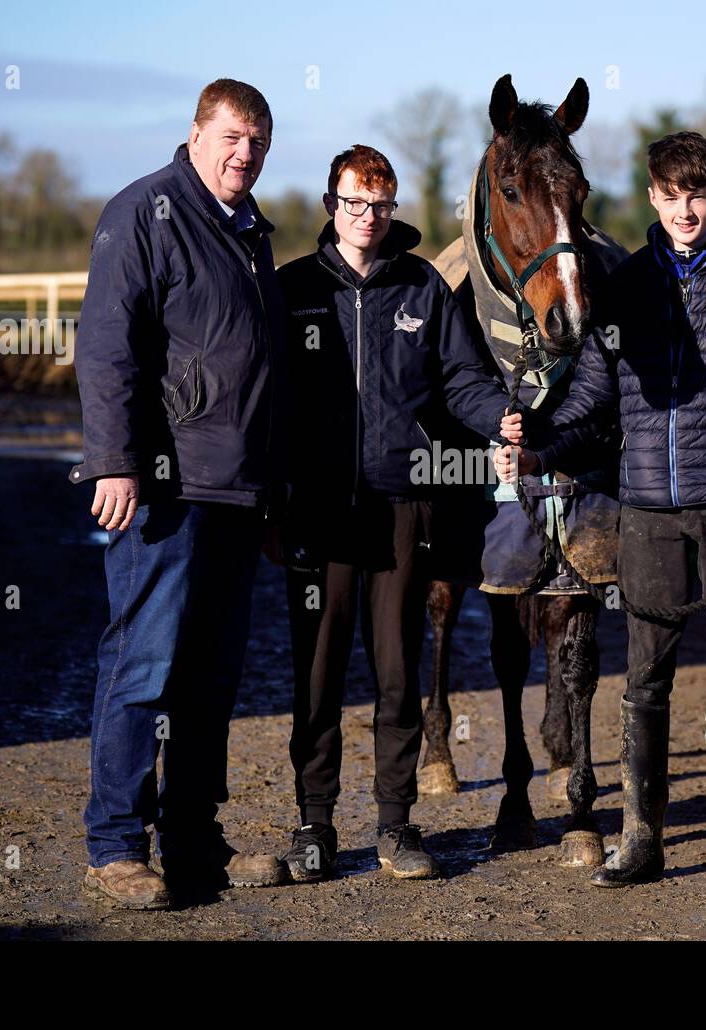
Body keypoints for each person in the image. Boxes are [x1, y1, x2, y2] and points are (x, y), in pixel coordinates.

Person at [495, 131, 706, 892]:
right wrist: (537, 444)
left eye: (698, 195)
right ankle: (641, 839)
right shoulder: (626, 284)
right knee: (645, 683)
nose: (686, 210)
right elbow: (593, 401)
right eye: (671, 197)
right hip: (645, 513)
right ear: (651, 198)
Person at [255, 145, 522, 884]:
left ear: (392, 208)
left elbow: (463, 378)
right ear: (329, 205)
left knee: (399, 671)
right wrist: (271, 504)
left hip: (406, 511)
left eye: (380, 205)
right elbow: (270, 405)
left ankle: (397, 825)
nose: (367, 218)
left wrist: (498, 418)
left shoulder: (423, 288)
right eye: (352, 203)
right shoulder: (295, 290)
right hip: (321, 515)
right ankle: (315, 823)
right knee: (317, 674)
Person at [70, 78, 287, 908]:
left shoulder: (251, 232)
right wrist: (114, 461)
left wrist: (273, 492)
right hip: (165, 488)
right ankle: (116, 846)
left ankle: (195, 840)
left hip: (235, 491)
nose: (246, 153)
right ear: (196, 133)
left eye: (259, 141)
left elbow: (266, 372)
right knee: (144, 663)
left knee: (211, 675)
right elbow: (106, 348)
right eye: (233, 136)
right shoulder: (145, 212)